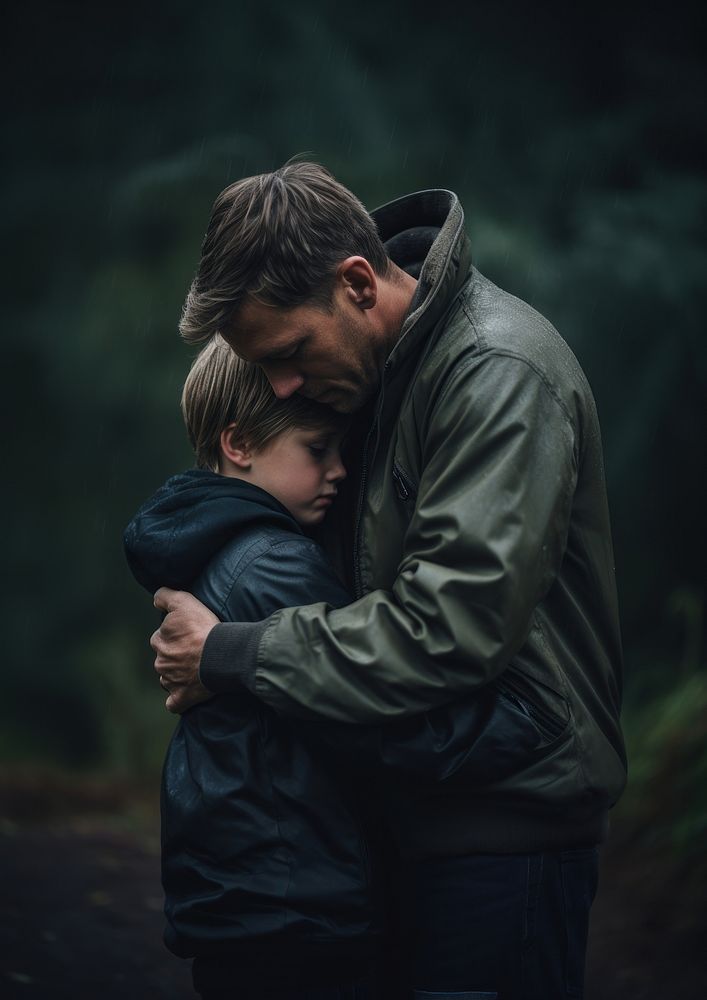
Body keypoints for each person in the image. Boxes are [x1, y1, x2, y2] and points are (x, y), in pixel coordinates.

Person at [150, 161, 627, 998]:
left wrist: (229, 655)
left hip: (506, 836)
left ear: (359, 282)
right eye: (265, 372)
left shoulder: (494, 371)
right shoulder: (374, 380)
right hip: (410, 826)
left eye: (290, 353)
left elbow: (447, 629)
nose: (284, 388)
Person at [126, 335, 550, 999]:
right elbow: (363, 712)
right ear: (238, 444)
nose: (340, 473)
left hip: (251, 892)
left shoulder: (211, 549)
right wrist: (516, 729)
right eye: (317, 450)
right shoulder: (274, 564)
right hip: (296, 899)